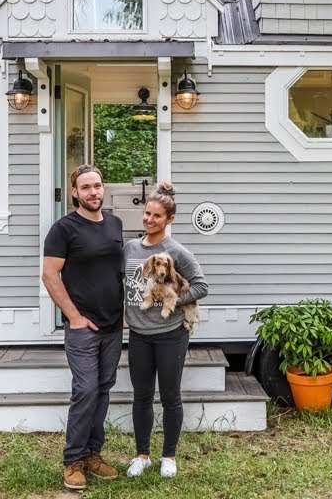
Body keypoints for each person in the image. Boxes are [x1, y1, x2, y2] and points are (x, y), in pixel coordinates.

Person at [41, 164, 124, 491]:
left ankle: (93, 454)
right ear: (74, 192)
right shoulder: (64, 229)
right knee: (86, 389)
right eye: (86, 187)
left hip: (113, 324)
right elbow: (49, 275)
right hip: (83, 327)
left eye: (98, 186)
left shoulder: (115, 224)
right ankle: (73, 459)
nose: (93, 192)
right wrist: (74, 317)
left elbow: (117, 271)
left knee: (103, 389)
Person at [122, 181, 208, 479]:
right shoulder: (131, 248)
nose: (149, 219)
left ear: (169, 219)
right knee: (141, 396)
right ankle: (142, 455)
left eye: (157, 216)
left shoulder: (176, 251)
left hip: (171, 335)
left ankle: (168, 456)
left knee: (170, 396)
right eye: (147, 213)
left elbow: (201, 286)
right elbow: (124, 285)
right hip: (138, 335)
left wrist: (169, 300)